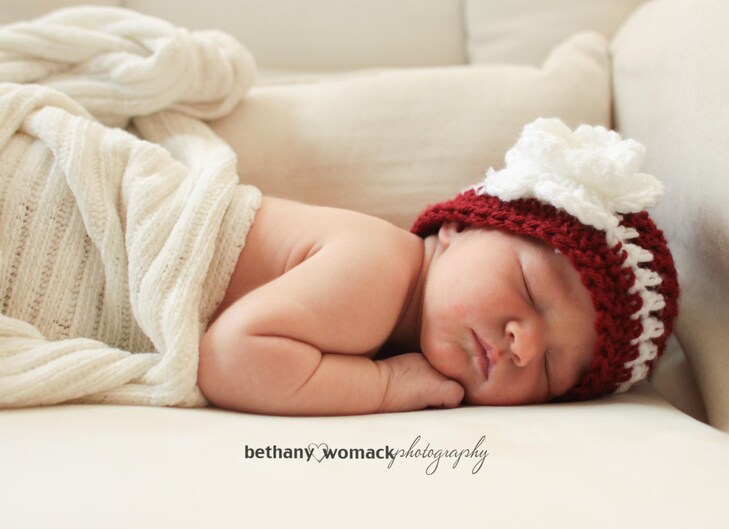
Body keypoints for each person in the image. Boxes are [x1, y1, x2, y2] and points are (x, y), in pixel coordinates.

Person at [197, 118, 680, 416]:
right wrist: (384, 388)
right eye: (529, 290)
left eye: (551, 372)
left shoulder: (397, 316)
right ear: (458, 227)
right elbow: (228, 357)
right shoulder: (377, 270)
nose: (525, 346)